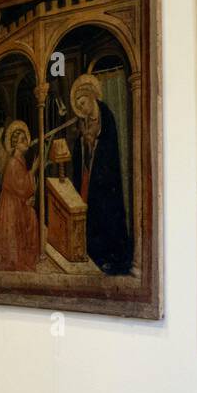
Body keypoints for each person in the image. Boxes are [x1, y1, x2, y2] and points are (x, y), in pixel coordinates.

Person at [67, 73, 131, 275]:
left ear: (92, 96)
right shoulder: (83, 121)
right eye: (78, 105)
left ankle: (113, 257)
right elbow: (81, 150)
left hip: (105, 178)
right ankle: (96, 255)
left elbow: (108, 145)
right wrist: (84, 142)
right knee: (91, 213)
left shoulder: (106, 114)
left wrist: (94, 141)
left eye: (83, 102)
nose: (82, 108)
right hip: (89, 175)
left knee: (108, 215)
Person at [0, 121, 40, 271]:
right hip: (11, 207)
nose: (27, 142)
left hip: (17, 202)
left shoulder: (20, 160)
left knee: (31, 216)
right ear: (15, 145)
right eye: (23, 140)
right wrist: (34, 170)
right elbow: (21, 186)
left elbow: (22, 187)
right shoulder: (12, 163)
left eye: (26, 139)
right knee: (30, 218)